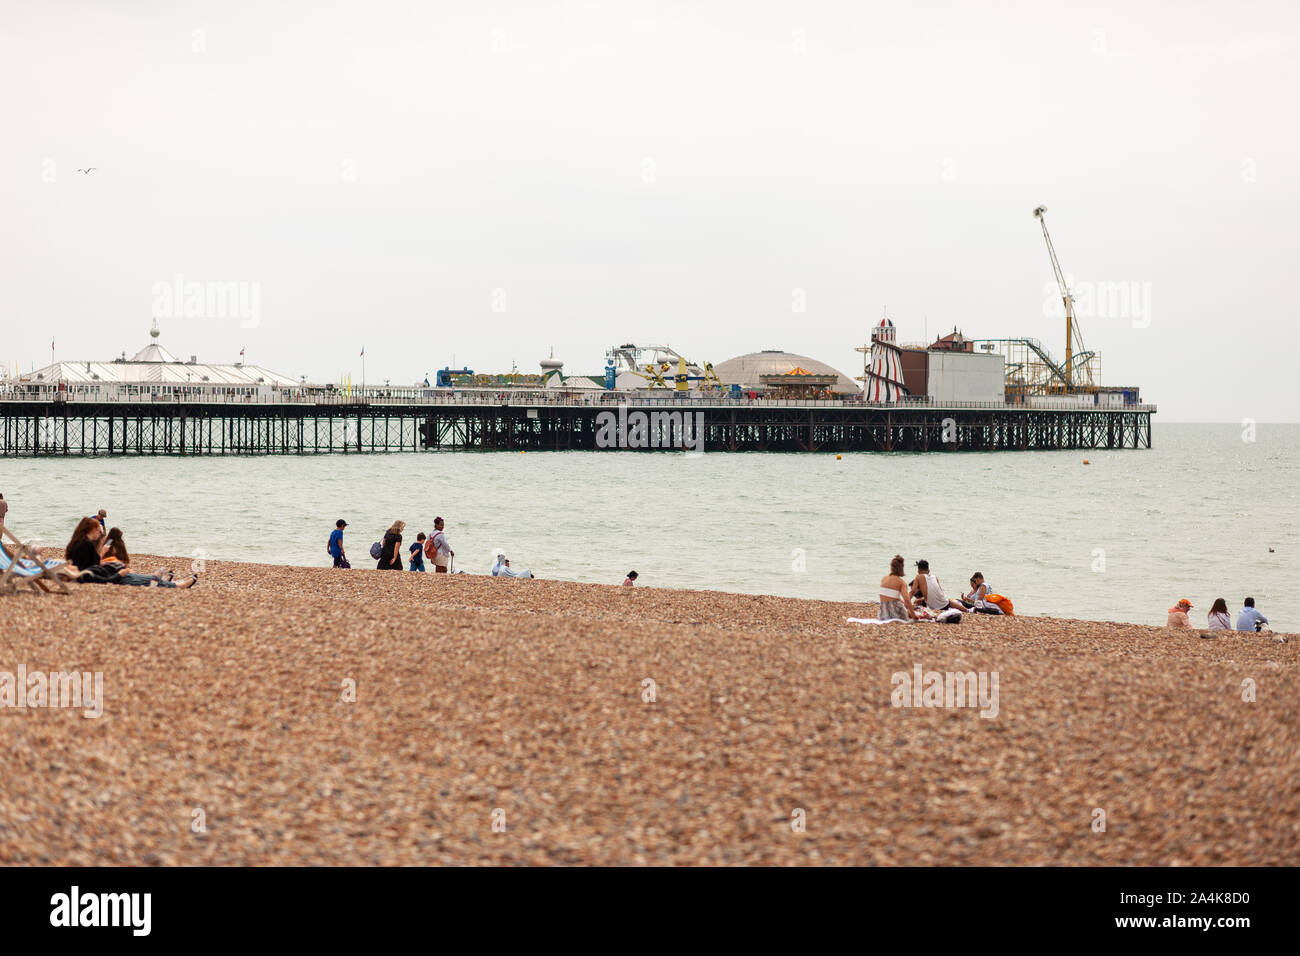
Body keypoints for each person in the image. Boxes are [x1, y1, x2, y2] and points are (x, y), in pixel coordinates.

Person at [879, 555, 916, 621]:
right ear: (901, 568)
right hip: (894, 612)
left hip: (883, 612)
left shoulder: (884, 578)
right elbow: (907, 600)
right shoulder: (901, 582)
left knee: (907, 609)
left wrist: (904, 603)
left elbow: (891, 596)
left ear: (891, 567)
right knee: (910, 614)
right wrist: (914, 615)